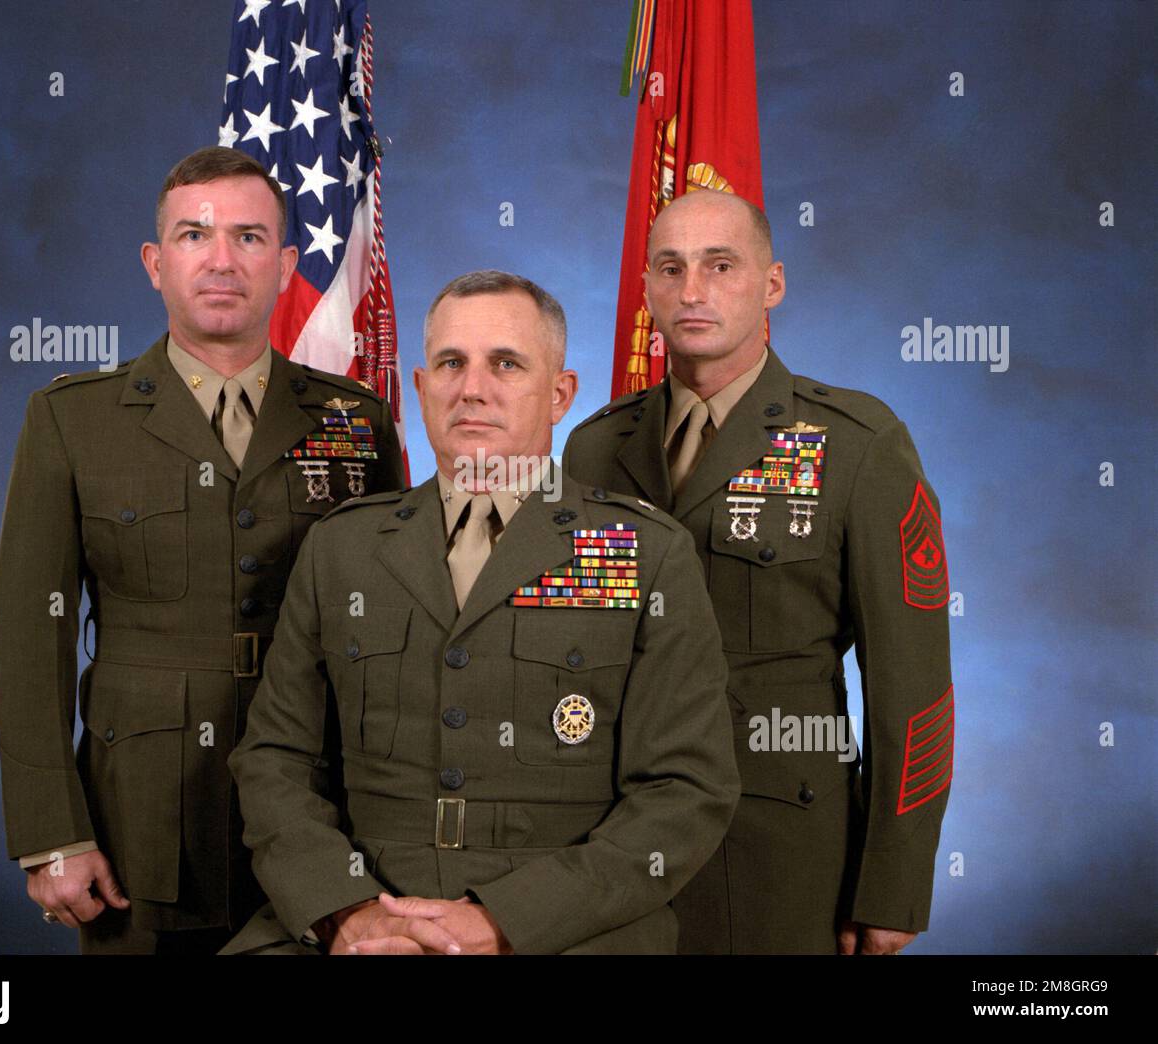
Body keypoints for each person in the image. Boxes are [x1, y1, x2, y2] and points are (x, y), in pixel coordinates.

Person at [222, 270, 739, 954]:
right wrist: (348, 912)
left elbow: (685, 792)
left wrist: (501, 921)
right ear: (419, 386)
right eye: (450, 363)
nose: (472, 388)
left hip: (563, 929)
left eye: (505, 363)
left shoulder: (645, 553)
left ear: (560, 395)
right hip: (366, 914)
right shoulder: (339, 547)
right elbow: (275, 759)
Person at [0, 146, 405, 954]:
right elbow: (28, 640)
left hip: (324, 808)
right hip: (139, 819)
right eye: (194, 235)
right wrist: (50, 834)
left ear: (286, 264)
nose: (222, 260)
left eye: (249, 238)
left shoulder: (356, 421)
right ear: (156, 262)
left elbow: (395, 627)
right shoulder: (73, 420)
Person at [563, 190, 954, 955]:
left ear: (771, 283)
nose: (694, 291)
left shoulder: (856, 445)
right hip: (609, 843)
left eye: (721, 265)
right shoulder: (593, 449)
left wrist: (892, 886)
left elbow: (914, 692)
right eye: (670, 269)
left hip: (782, 850)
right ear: (645, 288)